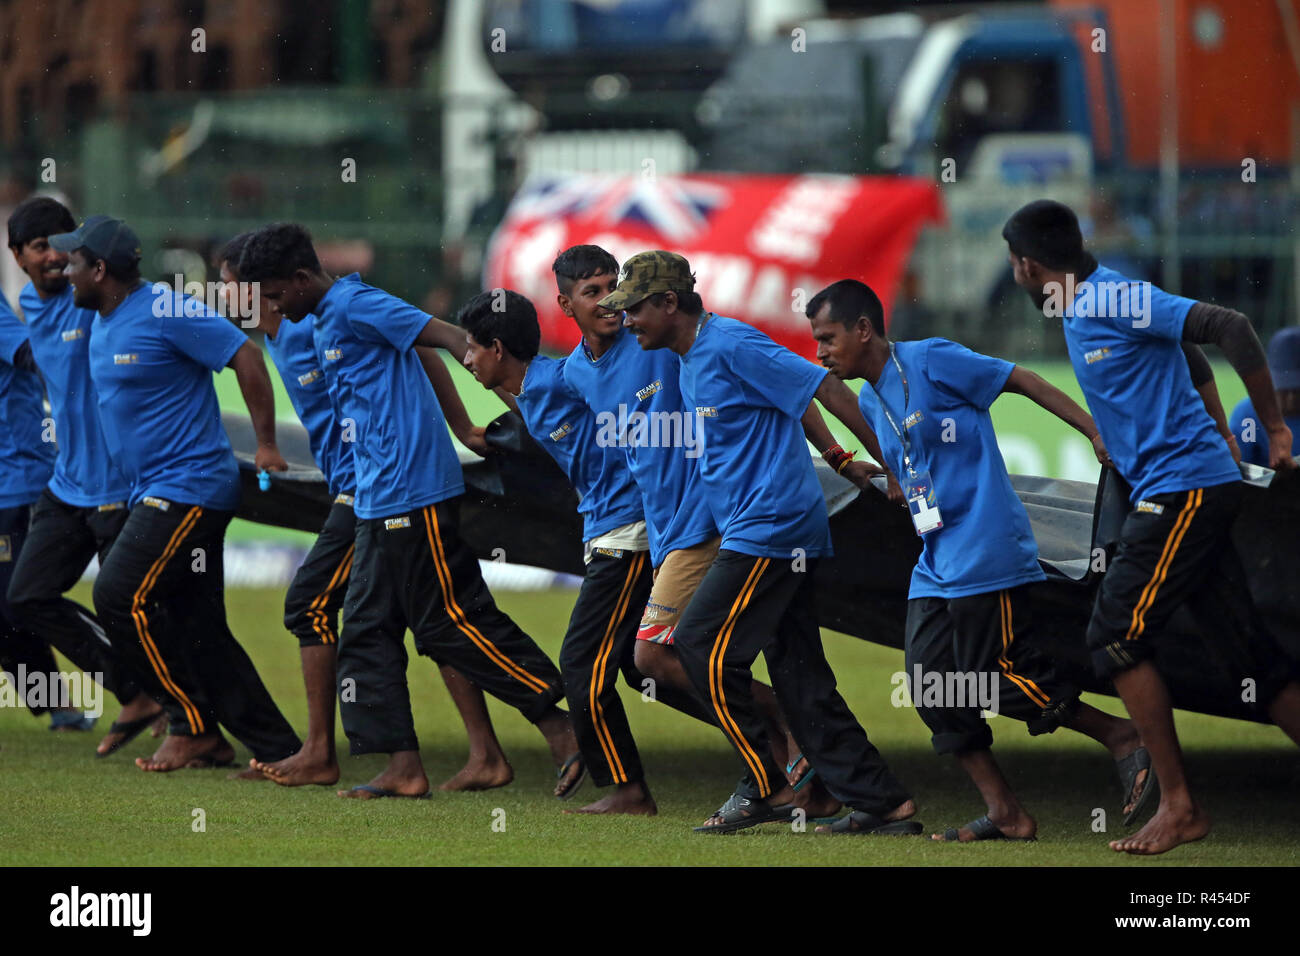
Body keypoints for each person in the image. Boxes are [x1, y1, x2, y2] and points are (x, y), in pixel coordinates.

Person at [236, 222, 583, 801]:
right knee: (372, 631)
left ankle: (562, 725)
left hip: (413, 494)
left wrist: (530, 414)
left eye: (274, 294)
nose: (271, 307)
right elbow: (418, 349)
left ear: (299, 278)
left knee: (454, 621)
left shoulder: (357, 303)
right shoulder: (323, 318)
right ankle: (403, 765)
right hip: (377, 496)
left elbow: (446, 338)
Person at [807, 278, 1156, 842]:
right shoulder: (871, 398)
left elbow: (1020, 379)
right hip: (936, 558)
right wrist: (894, 477)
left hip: (987, 546)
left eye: (826, 338)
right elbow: (909, 459)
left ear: (863, 330)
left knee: (988, 674)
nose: (819, 351)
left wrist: (1093, 430)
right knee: (930, 687)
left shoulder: (934, 359)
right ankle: (1006, 814)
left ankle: (1120, 735)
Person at [1003, 198, 1300, 854]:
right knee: (1250, 657)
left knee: (1114, 635)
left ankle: (1180, 806)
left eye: (1015, 267)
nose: (1016, 277)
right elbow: (1189, 357)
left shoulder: (1113, 297)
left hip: (1183, 492)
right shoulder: (1082, 309)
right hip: (1187, 485)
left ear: (1027, 265)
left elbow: (1228, 324)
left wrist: (1271, 429)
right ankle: (1180, 803)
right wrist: (1215, 426)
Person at [607, 250, 919, 834]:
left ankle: (766, 785)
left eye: (635, 310)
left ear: (670, 303)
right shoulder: (688, 356)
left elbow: (823, 386)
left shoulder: (730, 343)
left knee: (699, 645)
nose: (627, 322)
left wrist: (890, 465)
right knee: (800, 674)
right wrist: (835, 457)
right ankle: (883, 802)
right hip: (760, 528)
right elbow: (792, 400)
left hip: (771, 528)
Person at [557, 245, 832, 807]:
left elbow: (791, 383)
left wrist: (839, 454)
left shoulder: (672, 343)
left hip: (710, 521)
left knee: (656, 657)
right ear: (565, 305)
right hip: (666, 529)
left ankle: (773, 770)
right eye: (598, 293)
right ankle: (803, 767)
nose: (617, 308)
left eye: (621, 291)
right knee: (689, 659)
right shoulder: (577, 373)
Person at [447, 284, 720, 814]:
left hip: (629, 535)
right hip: (607, 532)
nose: (465, 359)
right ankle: (772, 733)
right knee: (644, 669)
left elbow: (591, 384)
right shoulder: (537, 387)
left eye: (472, 349)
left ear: (498, 349)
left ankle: (628, 788)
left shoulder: (567, 375)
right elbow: (527, 404)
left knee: (581, 663)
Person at [55, 214, 302, 774]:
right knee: (199, 624)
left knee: (118, 595)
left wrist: (265, 443)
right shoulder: (101, 318)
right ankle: (277, 746)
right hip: (153, 490)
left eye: (73, 262)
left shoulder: (166, 309)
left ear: (100, 269)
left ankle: (189, 724)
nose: (66, 270)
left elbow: (246, 354)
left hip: (190, 487)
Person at [5, 197, 167, 755]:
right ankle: (135, 693)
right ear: (18, 258)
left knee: (138, 607)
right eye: (39, 247)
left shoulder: (94, 298)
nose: (54, 257)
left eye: (62, 243)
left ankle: (191, 717)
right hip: (66, 484)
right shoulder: (28, 302)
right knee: (25, 599)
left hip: (119, 485)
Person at [0, 286, 97, 731]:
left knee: (19, 599)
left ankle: (144, 683)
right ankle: (59, 705)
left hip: (15, 481)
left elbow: (33, 357)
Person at [1230, 327, 1300, 468]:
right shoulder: (1248, 416)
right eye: (1284, 389)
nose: (1291, 398)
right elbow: (1238, 475)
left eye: (1297, 389)